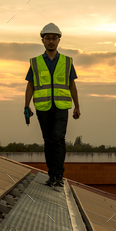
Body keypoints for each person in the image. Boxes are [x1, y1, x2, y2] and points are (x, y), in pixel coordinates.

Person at [24, 23, 80, 188]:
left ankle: (58, 175)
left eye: (54, 38)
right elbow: (30, 85)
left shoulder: (67, 61)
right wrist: (26, 105)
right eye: (47, 38)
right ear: (42, 40)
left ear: (59, 40)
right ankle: (52, 175)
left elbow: (72, 85)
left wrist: (77, 106)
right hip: (43, 108)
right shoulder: (35, 63)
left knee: (58, 138)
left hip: (62, 106)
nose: (51, 41)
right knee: (48, 141)